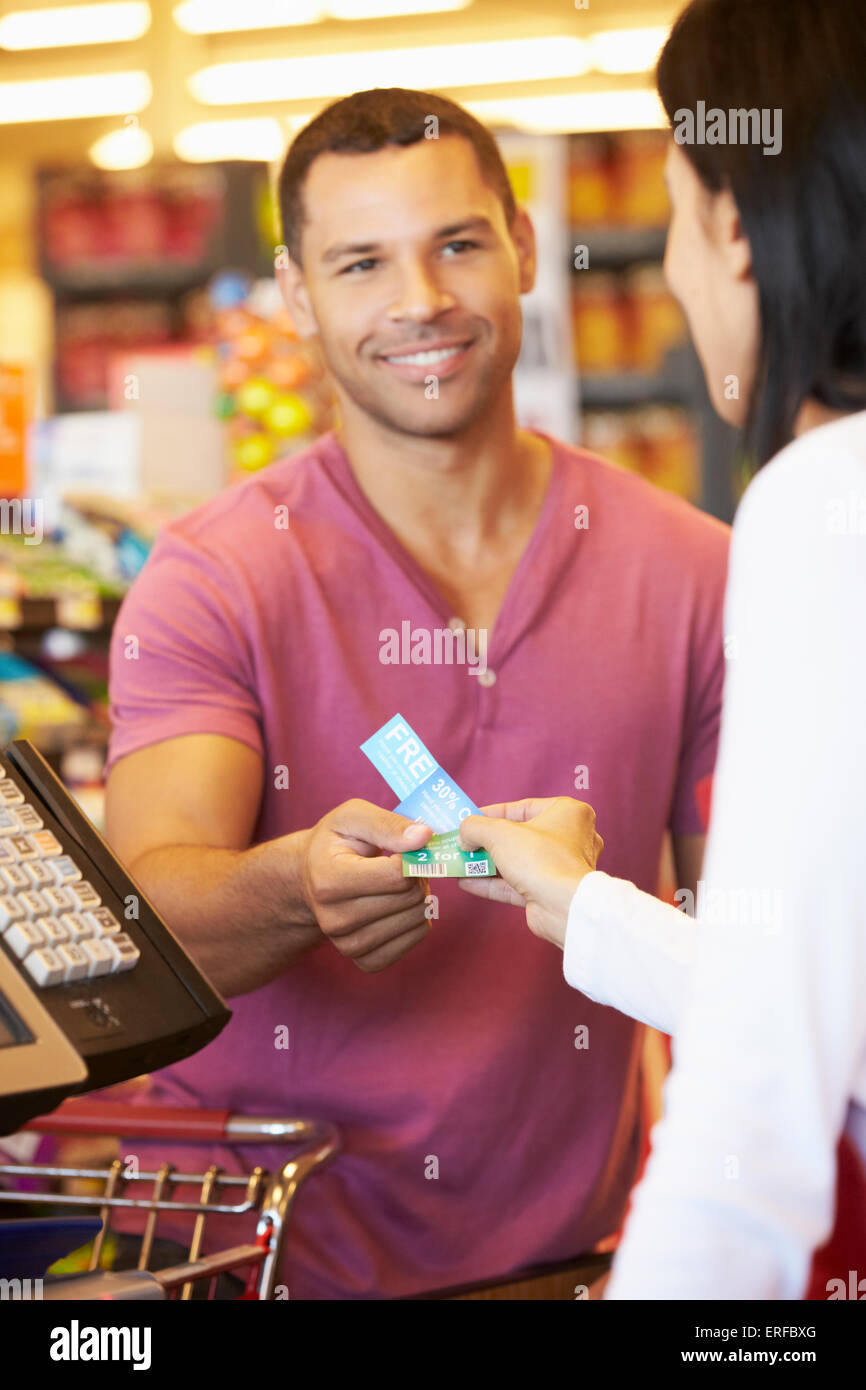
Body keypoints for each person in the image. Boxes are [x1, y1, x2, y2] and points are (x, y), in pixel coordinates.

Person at [103, 87, 729, 1299]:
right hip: (246, 1255)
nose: (419, 302)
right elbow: (148, 919)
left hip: (564, 1261)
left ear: (523, 245)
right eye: (359, 262)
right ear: (295, 294)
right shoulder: (216, 575)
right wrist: (293, 886)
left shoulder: (691, 568)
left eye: (455, 243)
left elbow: (742, 940)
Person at [458, 0, 866, 1300]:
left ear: (738, 228)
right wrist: (581, 901)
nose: (680, 278)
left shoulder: (821, 502)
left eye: (684, 216)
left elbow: (756, 1103)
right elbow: (808, 989)